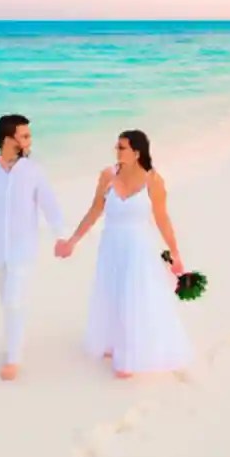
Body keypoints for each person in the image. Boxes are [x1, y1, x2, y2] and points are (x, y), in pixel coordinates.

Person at [56, 130, 192, 379]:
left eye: (122, 147)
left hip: (138, 248)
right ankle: (111, 342)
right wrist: (72, 241)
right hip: (111, 246)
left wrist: (175, 253)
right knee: (112, 292)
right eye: (116, 147)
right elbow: (95, 211)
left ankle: (129, 358)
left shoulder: (153, 180)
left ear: (137, 152)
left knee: (134, 296)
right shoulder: (108, 176)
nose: (116, 151)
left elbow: (162, 219)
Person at [0, 114, 67, 381]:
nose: (30, 141)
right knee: (8, 301)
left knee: (13, 300)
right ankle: (14, 340)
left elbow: (50, 205)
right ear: (8, 140)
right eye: (25, 136)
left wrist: (61, 236)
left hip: (24, 250)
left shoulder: (34, 171)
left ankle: (13, 358)